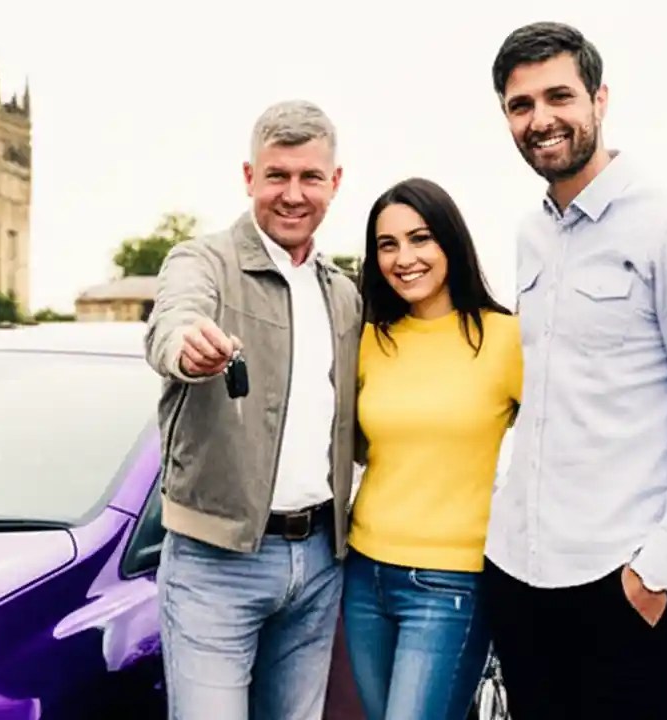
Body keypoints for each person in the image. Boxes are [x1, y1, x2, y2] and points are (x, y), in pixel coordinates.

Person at [482, 21, 667, 719]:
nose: (541, 120)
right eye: (521, 105)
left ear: (599, 100)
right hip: (520, 576)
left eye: (558, 97)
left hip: (621, 586)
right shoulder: (530, 235)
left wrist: (657, 572)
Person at [143, 99, 364, 719]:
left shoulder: (343, 294)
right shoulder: (201, 261)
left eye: (309, 177)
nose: (293, 195)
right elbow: (173, 323)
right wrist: (189, 348)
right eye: (277, 176)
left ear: (334, 183)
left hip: (321, 560)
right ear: (249, 178)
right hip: (215, 568)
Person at [341, 177, 522, 720]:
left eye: (420, 239)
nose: (404, 258)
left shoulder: (506, 339)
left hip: (449, 585)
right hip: (364, 574)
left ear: (450, 242)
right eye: (387, 244)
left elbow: (567, 446)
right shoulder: (369, 341)